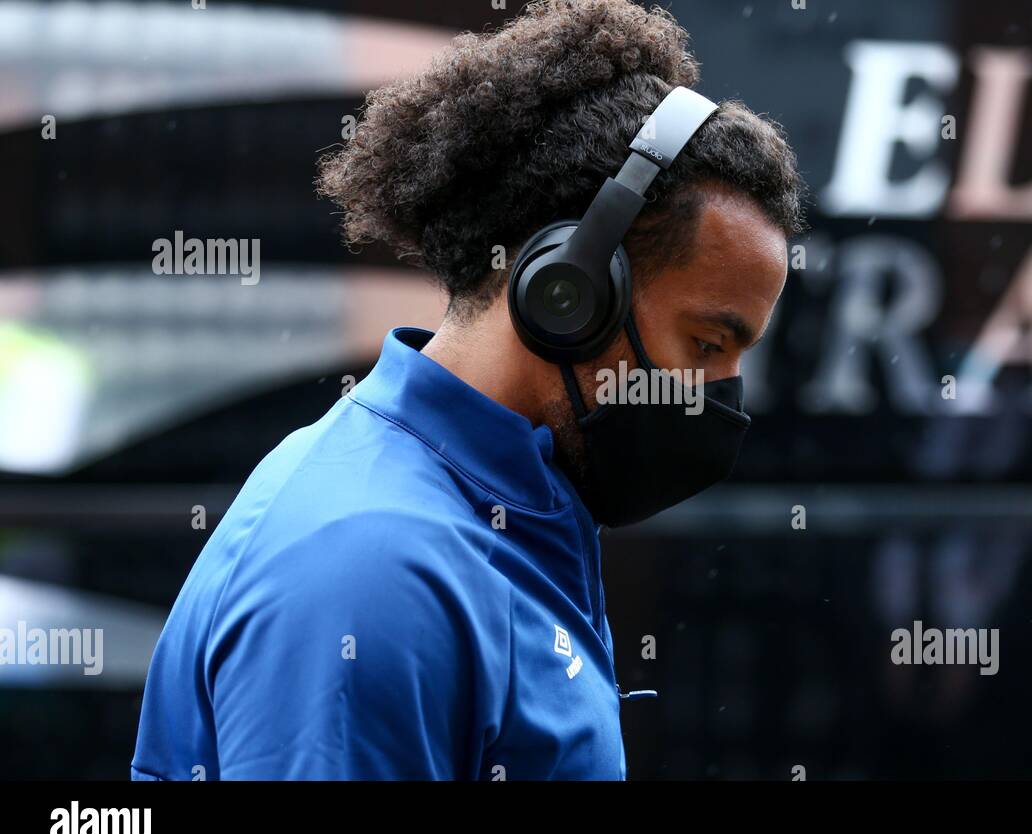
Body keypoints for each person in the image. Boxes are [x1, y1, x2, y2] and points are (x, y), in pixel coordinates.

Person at [131, 0, 804, 781]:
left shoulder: (507, 509)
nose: (723, 395)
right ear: (572, 291)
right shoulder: (376, 568)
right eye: (708, 343)